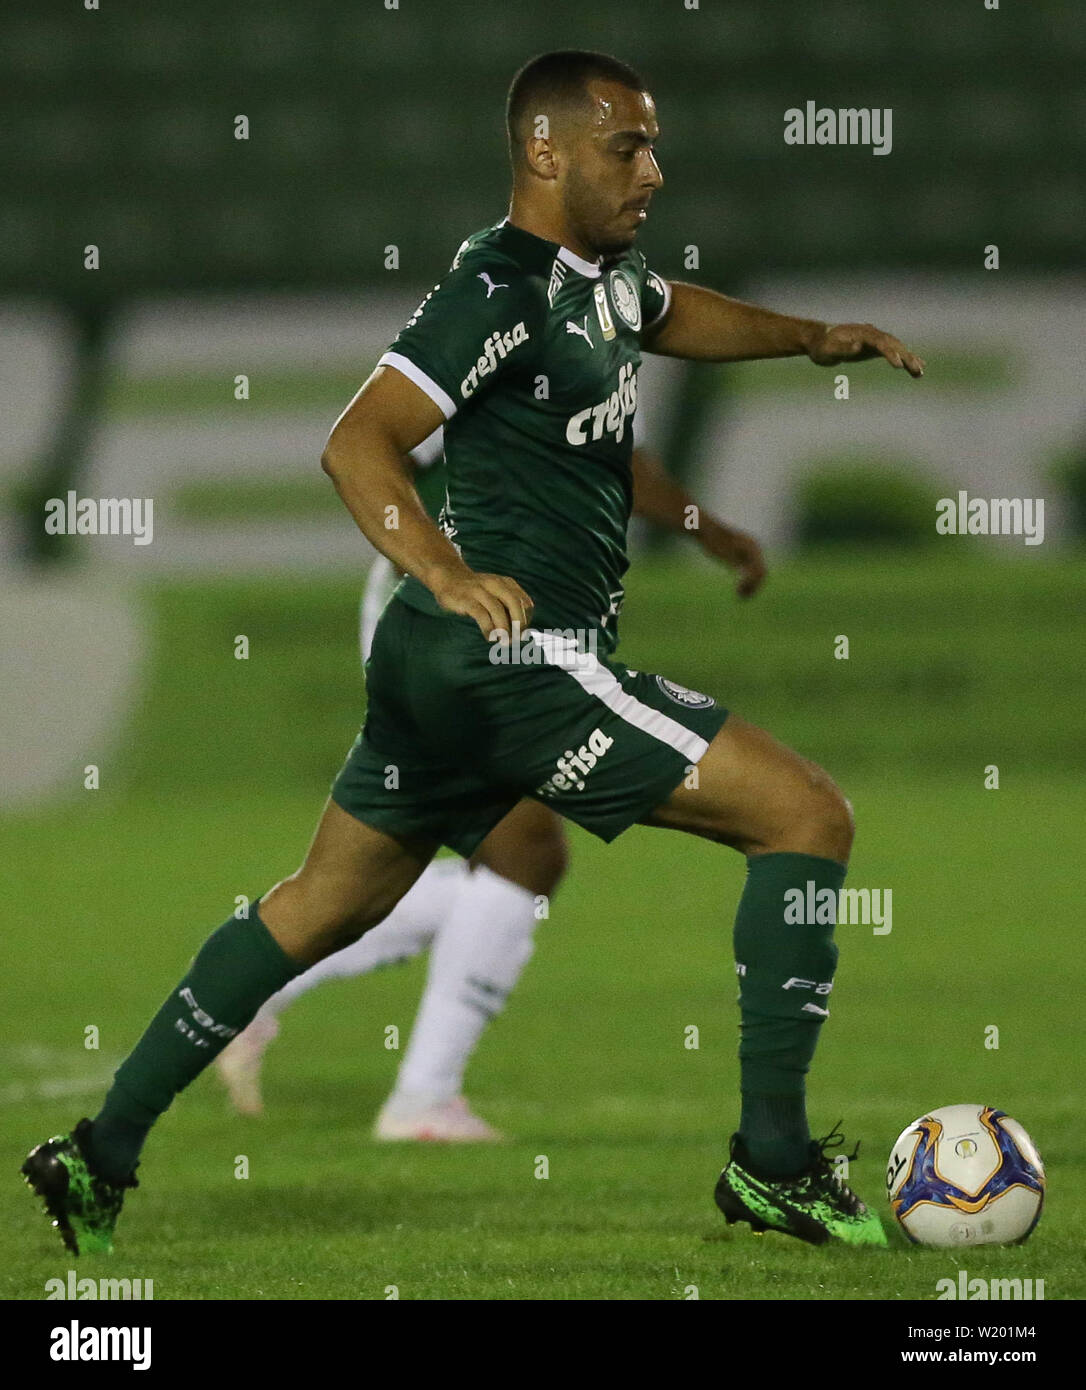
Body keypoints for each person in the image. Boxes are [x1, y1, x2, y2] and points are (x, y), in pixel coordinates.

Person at [23, 49, 924, 1256]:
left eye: (654, 145)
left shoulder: (606, 280)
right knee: (808, 817)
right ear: (546, 152)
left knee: (320, 906)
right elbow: (358, 444)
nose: (653, 170)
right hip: (516, 658)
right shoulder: (496, 288)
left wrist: (809, 336)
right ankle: (771, 1162)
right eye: (627, 147)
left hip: (438, 671)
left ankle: (98, 1150)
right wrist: (446, 570)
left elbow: (671, 312)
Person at [214, 440, 768, 1139]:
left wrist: (711, 536)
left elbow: (624, 464)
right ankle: (420, 1100)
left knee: (474, 863)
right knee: (523, 856)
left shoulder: (579, 353)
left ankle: (253, 989)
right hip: (449, 614)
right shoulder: (492, 340)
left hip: (502, 621)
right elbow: (372, 448)